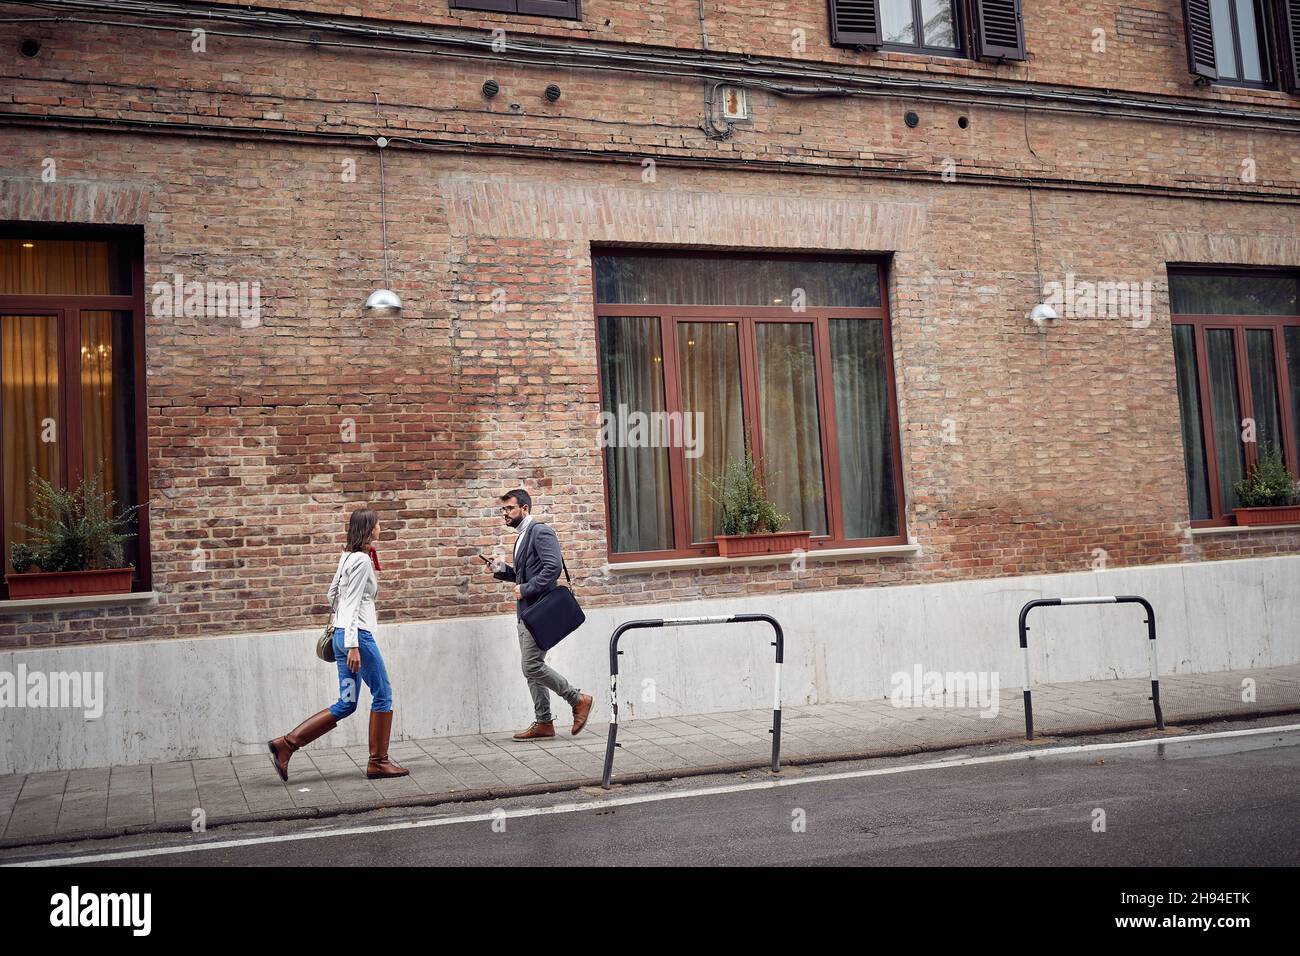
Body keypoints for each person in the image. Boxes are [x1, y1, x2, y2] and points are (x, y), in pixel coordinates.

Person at [267, 507, 409, 780]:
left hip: (341, 637)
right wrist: (355, 644)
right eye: (378, 525)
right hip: (359, 639)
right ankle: (378, 762)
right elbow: (354, 603)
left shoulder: (347, 557)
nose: (380, 528)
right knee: (383, 694)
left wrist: (344, 629)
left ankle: (286, 744)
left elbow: (332, 594)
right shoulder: (362, 561)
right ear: (369, 529)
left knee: (347, 701)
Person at [483, 488, 592, 740]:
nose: (505, 514)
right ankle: (544, 722)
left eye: (510, 508)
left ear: (525, 509)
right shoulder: (521, 536)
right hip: (526, 613)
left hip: (540, 611)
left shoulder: (540, 532)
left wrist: (526, 589)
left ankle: (578, 699)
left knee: (531, 665)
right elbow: (525, 574)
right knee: (531, 668)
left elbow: (552, 568)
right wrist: (502, 570)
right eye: (503, 509)